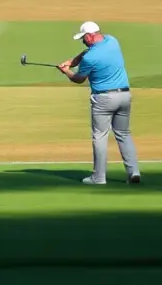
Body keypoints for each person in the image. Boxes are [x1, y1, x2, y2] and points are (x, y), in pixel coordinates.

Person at [57, 21, 141, 186]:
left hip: (104, 100)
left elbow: (79, 79)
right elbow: (87, 52)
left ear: (89, 36)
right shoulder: (112, 41)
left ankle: (99, 177)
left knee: (100, 137)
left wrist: (66, 71)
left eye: (83, 38)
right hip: (124, 96)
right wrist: (72, 61)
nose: (82, 40)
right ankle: (134, 172)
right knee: (123, 134)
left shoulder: (90, 58)